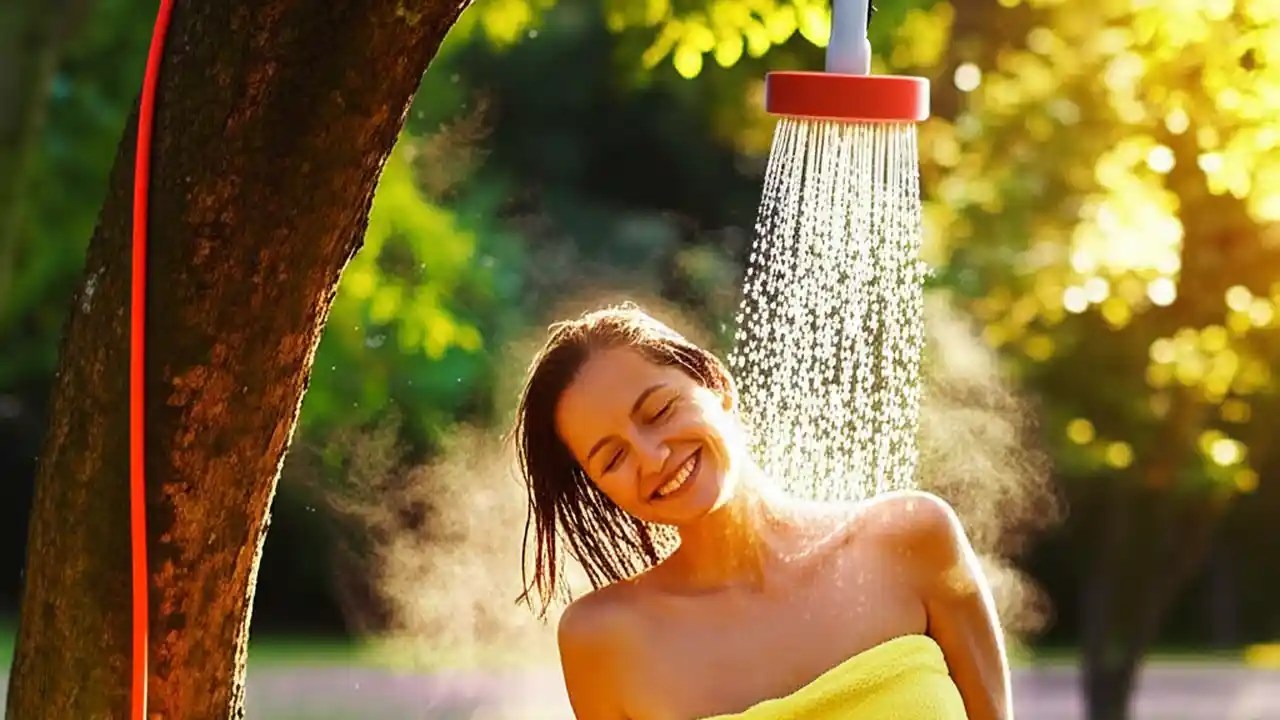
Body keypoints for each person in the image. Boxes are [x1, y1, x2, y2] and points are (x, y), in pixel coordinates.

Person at [511, 303, 1011, 720]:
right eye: (614, 457)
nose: (653, 458)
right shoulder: (604, 639)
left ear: (719, 386)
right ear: (603, 489)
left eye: (660, 411)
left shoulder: (913, 537)